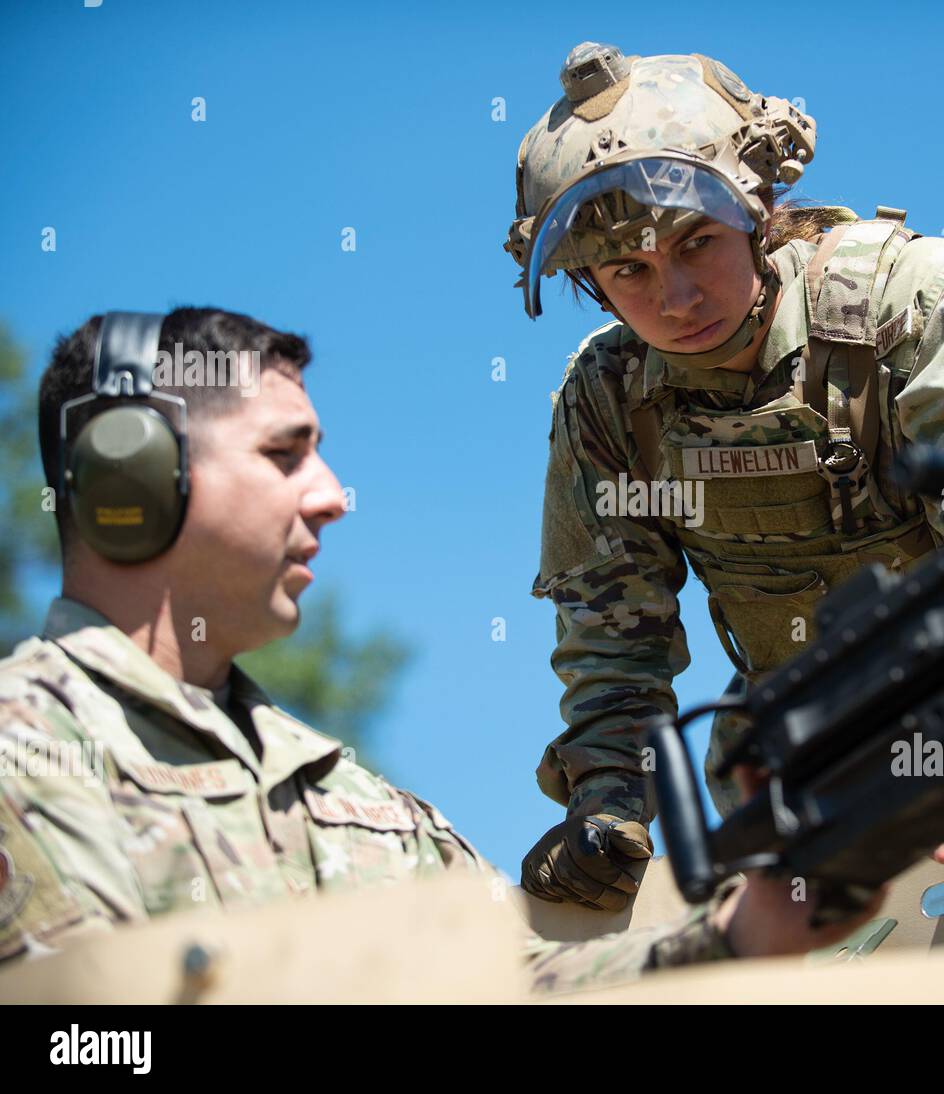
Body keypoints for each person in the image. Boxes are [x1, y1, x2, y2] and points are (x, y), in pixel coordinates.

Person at [0, 307, 884, 994]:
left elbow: (516, 988)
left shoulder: (353, 806)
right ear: (131, 479)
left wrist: (745, 934)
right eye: (284, 454)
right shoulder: (25, 751)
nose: (331, 497)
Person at [506, 44, 944, 910]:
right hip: (802, 775)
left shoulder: (904, 299)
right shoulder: (610, 399)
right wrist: (607, 808)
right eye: (628, 271)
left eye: (697, 243)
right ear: (589, 282)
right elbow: (614, 640)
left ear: (758, 208)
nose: (675, 298)